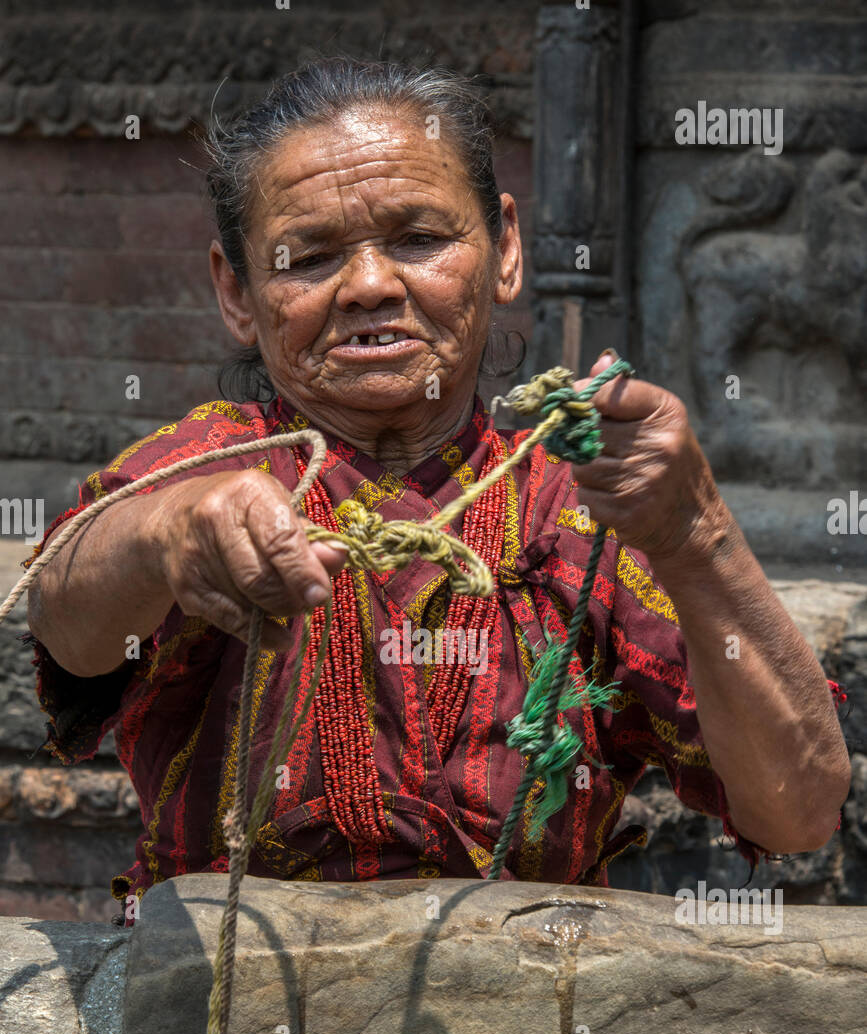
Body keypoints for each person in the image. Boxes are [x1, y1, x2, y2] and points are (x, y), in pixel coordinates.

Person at [24, 59, 850, 923]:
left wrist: (697, 538)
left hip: (530, 1025)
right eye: (308, 257)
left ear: (506, 250)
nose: (371, 285)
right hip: (221, 1030)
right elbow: (68, 619)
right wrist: (170, 535)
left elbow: (794, 812)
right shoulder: (213, 470)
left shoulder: (585, 507)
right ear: (236, 290)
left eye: (419, 240)